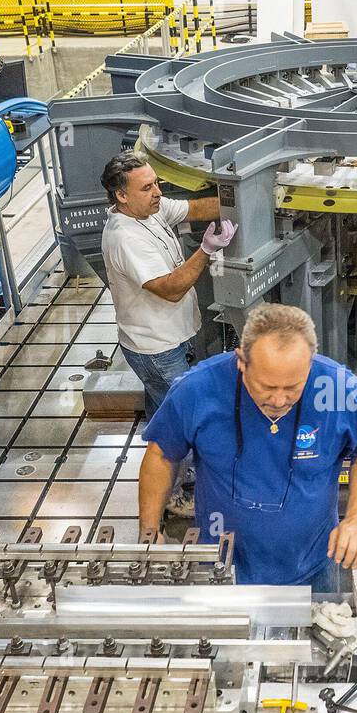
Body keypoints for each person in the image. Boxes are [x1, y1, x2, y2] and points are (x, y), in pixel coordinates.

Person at [138, 303, 357, 590]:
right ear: (241, 361)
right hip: (220, 564)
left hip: (312, 565)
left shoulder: (339, 389)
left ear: (310, 364)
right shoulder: (198, 389)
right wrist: (150, 531)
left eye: (293, 387)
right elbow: (161, 454)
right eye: (267, 387)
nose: (279, 400)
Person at [100, 151, 234, 514]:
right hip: (157, 350)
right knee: (186, 419)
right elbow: (170, 288)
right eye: (147, 187)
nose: (157, 191)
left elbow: (193, 210)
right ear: (121, 196)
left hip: (172, 339)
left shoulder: (150, 209)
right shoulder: (125, 237)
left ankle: (167, 478)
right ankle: (183, 493)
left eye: (156, 182)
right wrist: (207, 249)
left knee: (165, 412)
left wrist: (240, 198)